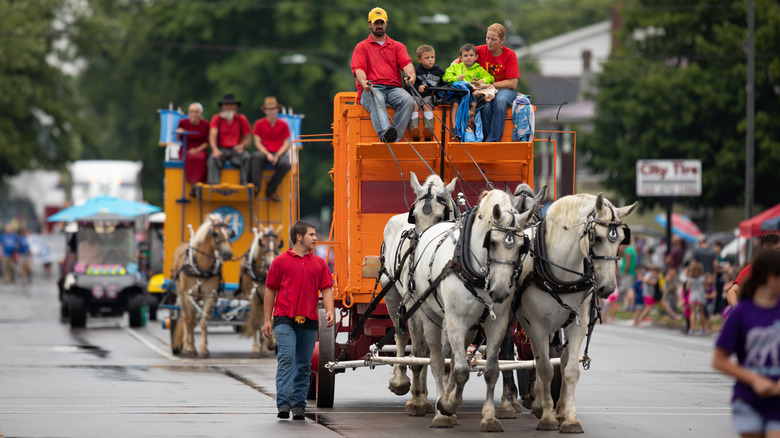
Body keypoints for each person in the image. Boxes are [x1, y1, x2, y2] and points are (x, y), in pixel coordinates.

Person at [262, 221, 335, 420]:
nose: (315, 238)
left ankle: (299, 405)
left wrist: (330, 310)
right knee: (287, 358)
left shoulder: (319, 263)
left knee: (303, 364)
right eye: (311, 234)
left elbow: (327, 288)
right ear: (299, 237)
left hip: (310, 321)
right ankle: (284, 405)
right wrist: (267, 320)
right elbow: (270, 290)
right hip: (284, 319)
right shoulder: (280, 261)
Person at [712, 249, 780, 438]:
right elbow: (719, 360)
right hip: (748, 399)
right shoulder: (742, 313)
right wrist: (754, 380)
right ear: (770, 278)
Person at [351, 7, 416, 143]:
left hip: (393, 88)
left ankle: (393, 137)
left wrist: (410, 75)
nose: (379, 26)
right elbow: (359, 70)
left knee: (408, 100)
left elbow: (407, 64)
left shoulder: (398, 46)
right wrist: (364, 83)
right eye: (376, 23)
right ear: (370, 24)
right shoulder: (362, 47)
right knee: (377, 97)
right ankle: (385, 132)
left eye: (381, 22)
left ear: (386, 23)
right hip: (371, 88)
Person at [473, 23, 520, 142]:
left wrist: (489, 85)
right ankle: (486, 140)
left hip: (505, 89)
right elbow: (458, 61)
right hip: (487, 90)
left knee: (500, 101)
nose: (489, 42)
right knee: (486, 105)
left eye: (493, 39)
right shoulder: (479, 50)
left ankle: (494, 139)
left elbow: (512, 83)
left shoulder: (510, 55)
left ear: (502, 40)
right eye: (487, 38)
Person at [443, 43, 495, 130]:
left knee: (478, 104)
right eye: (465, 55)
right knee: (455, 103)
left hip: (472, 95)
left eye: (471, 55)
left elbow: (490, 77)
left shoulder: (478, 69)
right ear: (460, 58)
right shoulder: (456, 67)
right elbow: (445, 77)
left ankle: (473, 126)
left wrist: (482, 81)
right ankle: (454, 126)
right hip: (459, 94)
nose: (468, 57)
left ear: (476, 57)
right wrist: (456, 78)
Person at [250, 96, 291, 202]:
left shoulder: (284, 125)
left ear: (277, 110)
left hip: (278, 152)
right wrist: (267, 154)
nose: (271, 112)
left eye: (273, 109)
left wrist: (277, 155)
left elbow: (286, 143)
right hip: (264, 151)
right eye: (269, 109)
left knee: (285, 163)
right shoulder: (259, 124)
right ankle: (256, 187)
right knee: (256, 156)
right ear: (265, 111)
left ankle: (271, 189)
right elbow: (257, 142)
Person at [207, 93, 251, 185]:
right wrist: (215, 150)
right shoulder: (216, 118)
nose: (229, 107)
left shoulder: (241, 118)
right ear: (222, 106)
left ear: (235, 106)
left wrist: (242, 146)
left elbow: (248, 139)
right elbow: (212, 137)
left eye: (231, 104)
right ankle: (214, 186)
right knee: (212, 158)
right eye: (226, 105)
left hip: (235, 149)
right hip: (221, 149)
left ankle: (244, 185)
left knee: (247, 157)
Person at [727, 233, 780, 307]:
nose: (772, 254)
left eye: (777, 249)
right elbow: (731, 293)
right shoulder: (752, 269)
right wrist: (740, 311)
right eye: (768, 251)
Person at [410, 44, 445, 141]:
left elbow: (444, 85)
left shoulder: (439, 71)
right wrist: (417, 87)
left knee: (427, 105)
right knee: (414, 104)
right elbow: (409, 86)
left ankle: (428, 129)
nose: (430, 60)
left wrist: (439, 93)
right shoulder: (416, 71)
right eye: (427, 58)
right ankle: (414, 127)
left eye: (432, 57)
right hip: (417, 95)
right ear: (419, 60)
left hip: (430, 96)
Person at [177, 102, 210, 196]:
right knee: (188, 156)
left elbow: (207, 142)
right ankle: (192, 182)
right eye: (191, 112)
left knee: (201, 157)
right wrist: (179, 133)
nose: (193, 114)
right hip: (186, 148)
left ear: (200, 113)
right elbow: (179, 139)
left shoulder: (206, 124)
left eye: (196, 112)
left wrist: (197, 150)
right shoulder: (182, 123)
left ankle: (198, 183)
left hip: (200, 148)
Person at [686, 260, 706, 335]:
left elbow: (687, 287)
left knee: (693, 312)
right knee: (701, 312)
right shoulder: (702, 278)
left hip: (693, 295)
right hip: (700, 295)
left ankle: (692, 328)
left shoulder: (690, 278)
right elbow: (704, 287)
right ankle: (703, 328)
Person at [620, 238, 638, 311]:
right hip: (632, 272)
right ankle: (627, 306)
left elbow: (628, 263)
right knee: (629, 290)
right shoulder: (633, 249)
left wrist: (624, 272)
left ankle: (631, 306)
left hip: (628, 273)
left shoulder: (628, 251)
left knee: (628, 290)